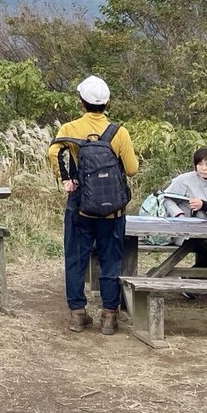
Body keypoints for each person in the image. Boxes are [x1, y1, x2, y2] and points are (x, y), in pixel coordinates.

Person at [47, 75, 139, 336]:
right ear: (107, 103)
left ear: (81, 103)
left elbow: (53, 152)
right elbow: (131, 170)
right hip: (112, 208)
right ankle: (109, 316)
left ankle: (77, 314)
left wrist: (65, 178)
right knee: (111, 259)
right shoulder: (119, 132)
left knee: (76, 258)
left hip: (80, 204)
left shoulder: (69, 128)